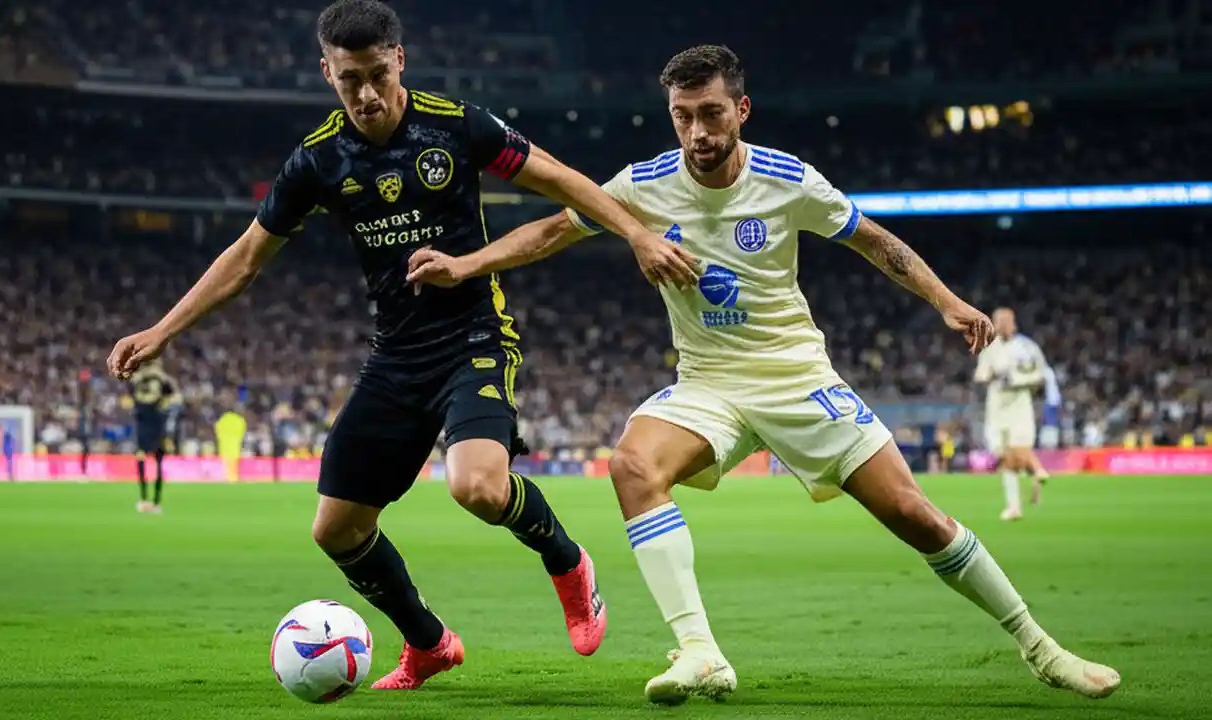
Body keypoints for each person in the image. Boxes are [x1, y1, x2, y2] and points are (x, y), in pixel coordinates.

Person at [407, 45, 1120, 705]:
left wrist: (948, 301)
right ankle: (699, 652)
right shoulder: (644, 185)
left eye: (711, 114)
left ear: (740, 110)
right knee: (631, 466)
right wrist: (466, 265)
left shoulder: (787, 180)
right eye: (682, 117)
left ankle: (1041, 647)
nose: (696, 131)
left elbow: (875, 240)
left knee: (914, 514)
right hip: (707, 383)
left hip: (794, 376)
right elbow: (553, 230)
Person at [106, 0, 697, 691]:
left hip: (475, 333)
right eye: (348, 78)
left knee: (475, 486)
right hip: (396, 354)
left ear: (400, 61)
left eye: (377, 74)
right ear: (326, 71)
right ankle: (429, 644)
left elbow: (561, 180)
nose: (365, 93)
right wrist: (161, 330)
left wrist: (638, 234)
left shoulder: (457, 126)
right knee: (336, 530)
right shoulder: (319, 160)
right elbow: (245, 259)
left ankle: (568, 562)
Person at [974, 307, 1052, 519]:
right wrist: (989, 375)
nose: (1001, 325)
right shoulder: (989, 348)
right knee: (1002, 455)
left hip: (1020, 407)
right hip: (996, 409)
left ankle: (1014, 505)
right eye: (998, 321)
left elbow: (1041, 374)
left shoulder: (1027, 347)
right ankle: (1035, 473)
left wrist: (1018, 380)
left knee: (1018, 449)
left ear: (1013, 322)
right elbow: (980, 374)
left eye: (1005, 321)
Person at [129, 359, 180, 513]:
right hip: (155, 423)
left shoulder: (137, 380)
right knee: (155, 461)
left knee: (144, 459)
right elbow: (173, 394)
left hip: (146, 424)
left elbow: (131, 394)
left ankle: (146, 499)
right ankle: (154, 502)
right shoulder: (160, 379)